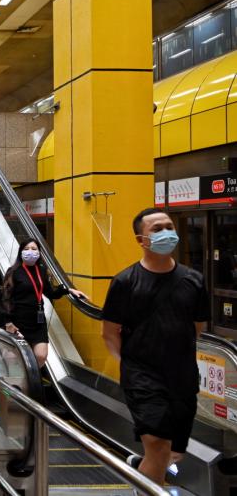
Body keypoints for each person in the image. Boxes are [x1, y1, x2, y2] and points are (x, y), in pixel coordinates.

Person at [101, 208, 209, 486]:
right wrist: (128, 366)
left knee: (172, 453)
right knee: (159, 444)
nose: (166, 233)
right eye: (157, 229)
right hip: (142, 375)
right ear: (141, 240)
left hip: (182, 377)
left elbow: (197, 327)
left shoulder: (193, 281)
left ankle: (140, 468)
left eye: (169, 226)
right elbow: (110, 332)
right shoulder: (125, 281)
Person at [2, 238, 87, 367]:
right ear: (20, 252)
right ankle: (18, 384)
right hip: (18, 321)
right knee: (12, 358)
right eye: (26, 249)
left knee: (41, 356)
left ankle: (31, 382)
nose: (30, 252)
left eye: (34, 249)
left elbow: (50, 292)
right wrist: (8, 322)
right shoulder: (13, 272)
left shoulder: (41, 270)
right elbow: (5, 297)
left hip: (38, 321)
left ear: (39, 253)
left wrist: (68, 290)